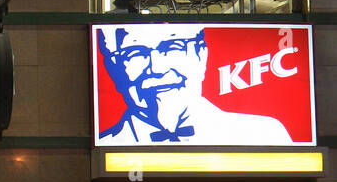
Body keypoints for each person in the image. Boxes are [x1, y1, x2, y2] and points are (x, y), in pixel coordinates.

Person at [96, 25, 292, 144]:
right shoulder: (106, 144)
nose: (157, 68)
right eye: (135, 53)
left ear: (202, 56)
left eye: (173, 47)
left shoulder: (265, 134)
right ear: (113, 69)